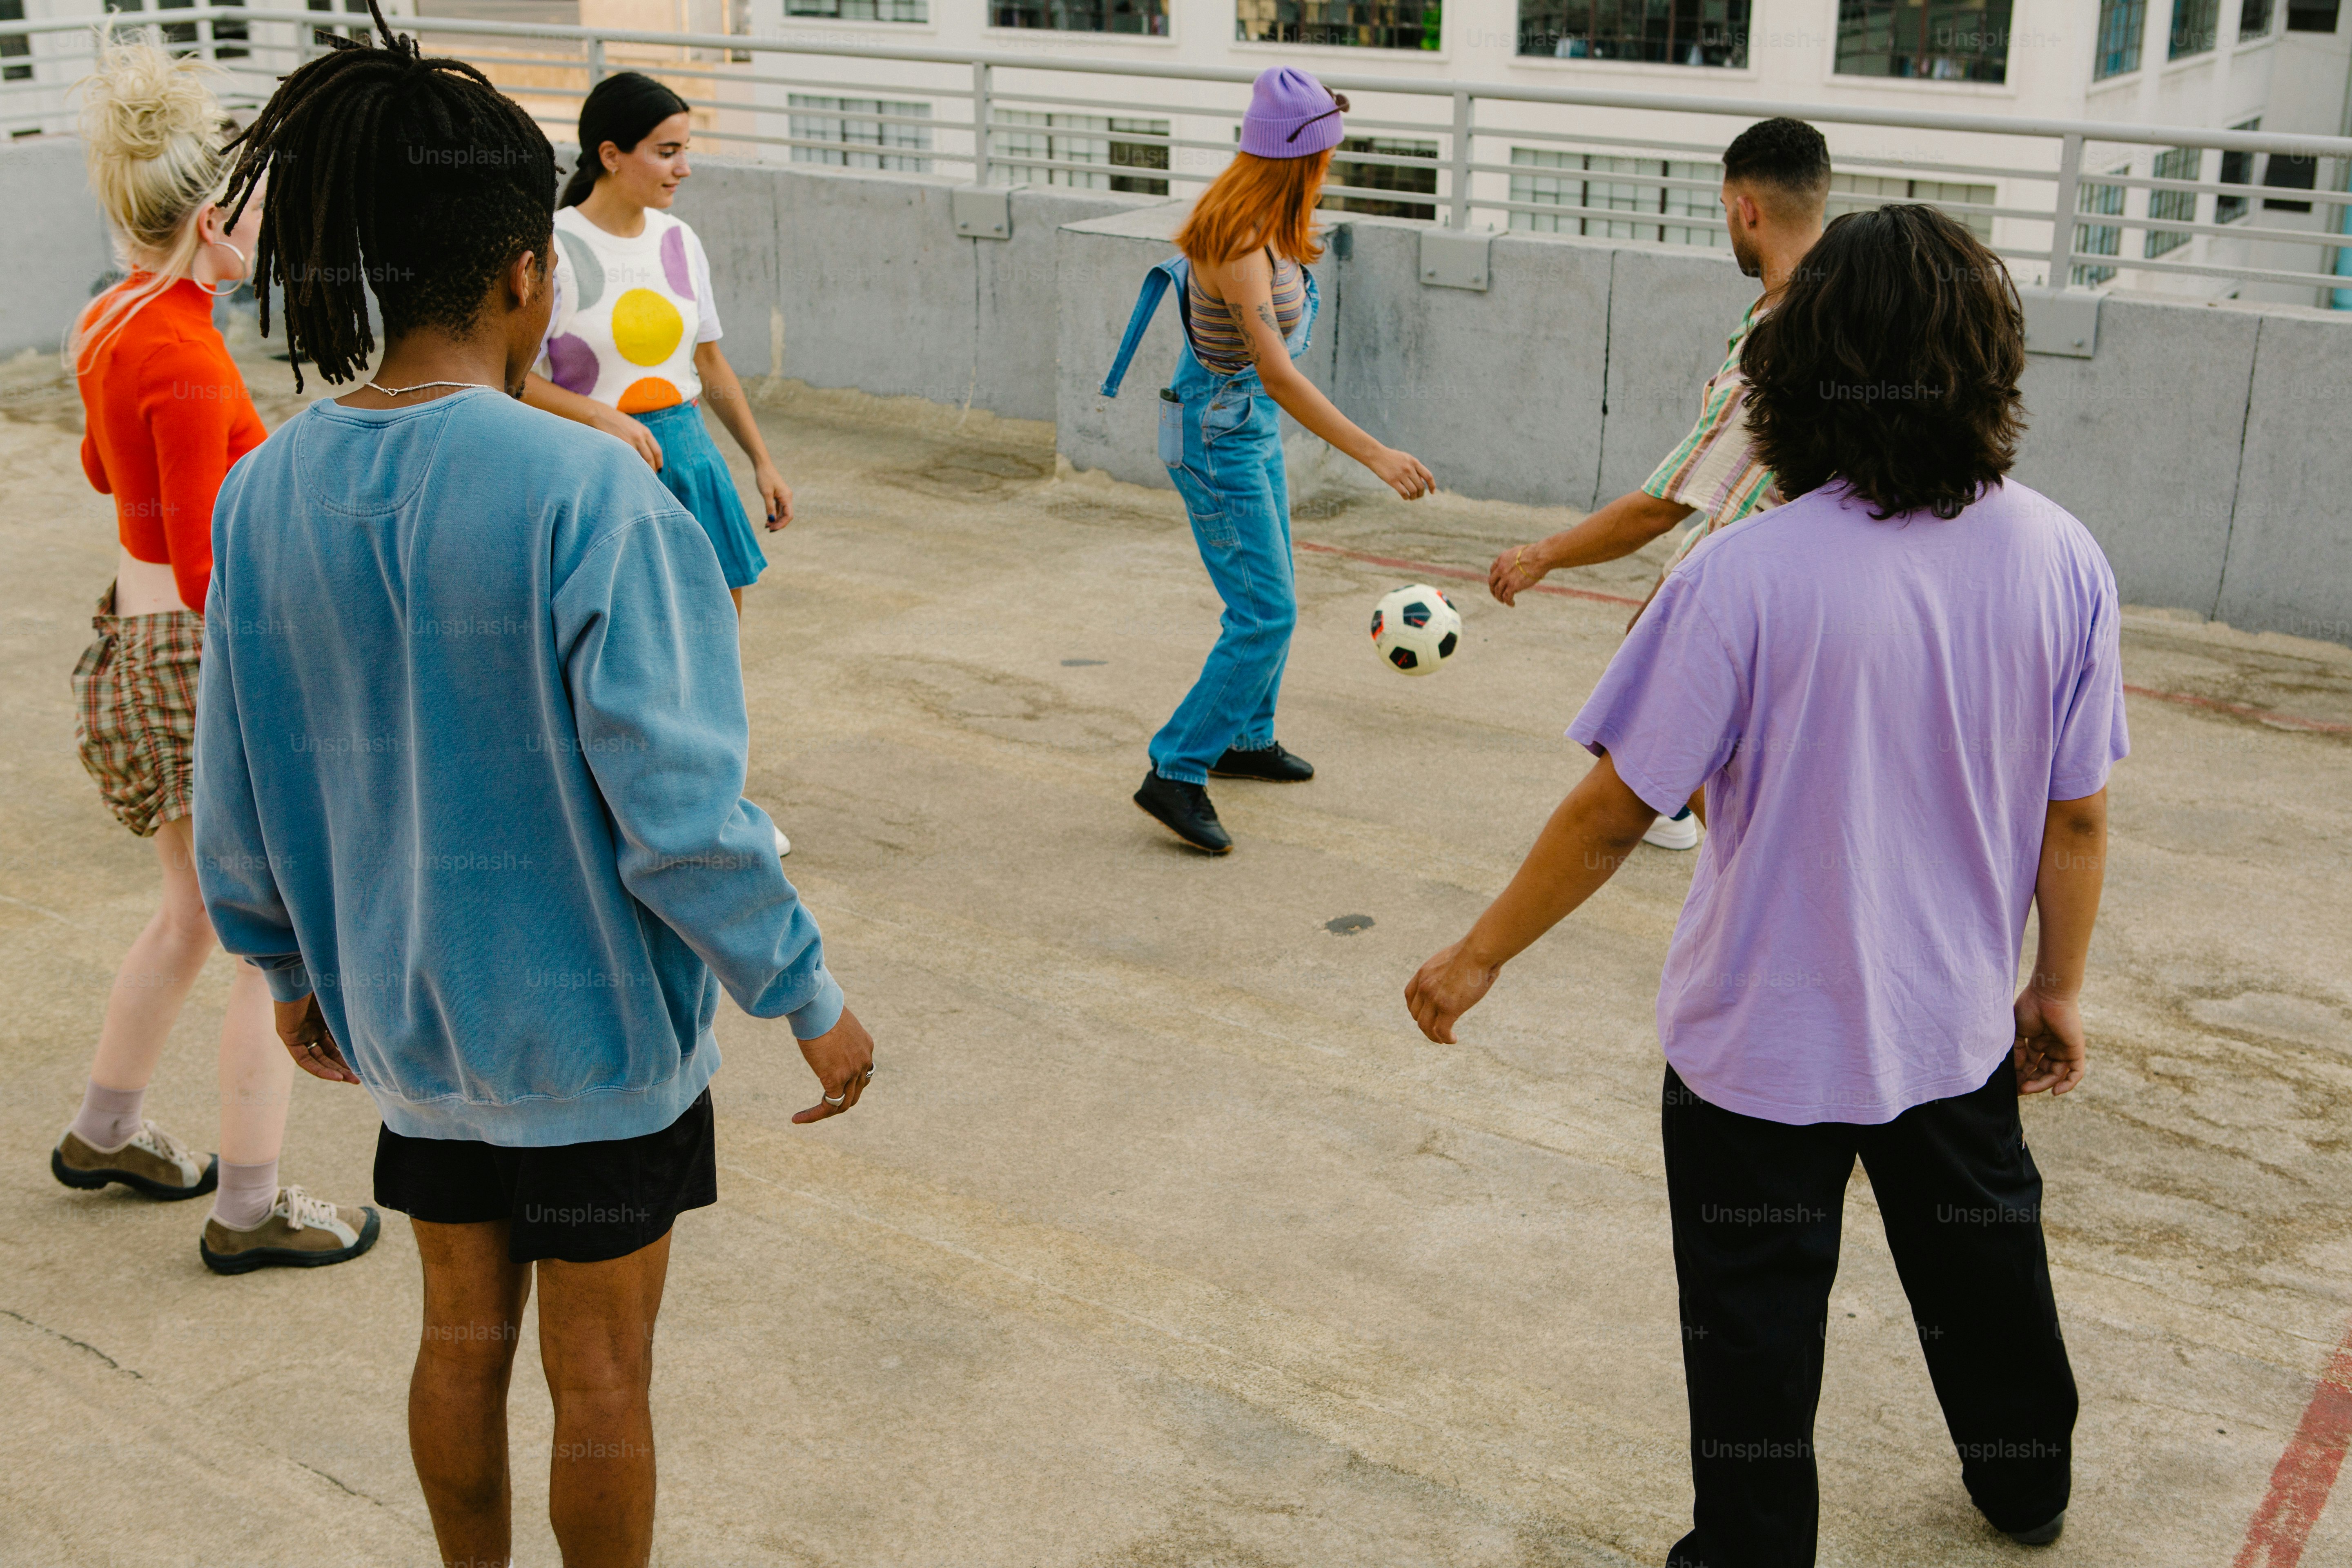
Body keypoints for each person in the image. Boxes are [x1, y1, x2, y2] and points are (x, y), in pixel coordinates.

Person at [195, 9, 875, 1563]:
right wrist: (805, 991)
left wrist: (287, 968)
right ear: (525, 273)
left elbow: (235, 778)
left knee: (457, 1342)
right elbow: (680, 812)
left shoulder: (263, 489)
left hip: (413, 1026)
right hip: (597, 1048)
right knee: (603, 1374)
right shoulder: (597, 493)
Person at [1405, 205, 2126, 1562]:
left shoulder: (1739, 577)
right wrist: (2059, 986)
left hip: (1757, 1053)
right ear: (1988, 366)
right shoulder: (2062, 557)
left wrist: (1480, 953)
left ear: (1797, 375)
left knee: (1755, 1325)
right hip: (1951, 1032)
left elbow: (1616, 811)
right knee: (1986, 1275)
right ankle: (2027, 1484)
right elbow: (2077, 815)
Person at [49, 35, 377, 1276]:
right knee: (266, 938)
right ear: (207, 220)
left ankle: (106, 1134)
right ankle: (249, 1208)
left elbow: (104, 471)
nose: (265, 224)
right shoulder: (185, 351)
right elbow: (209, 567)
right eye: (251, 207)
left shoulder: (112, 316)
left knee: (189, 917)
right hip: (195, 659)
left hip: (132, 647)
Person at [1100, 66, 1436, 855]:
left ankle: (1246, 738)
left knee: (1273, 590)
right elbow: (1279, 375)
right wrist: (1375, 455)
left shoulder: (1271, 218)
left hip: (1244, 425)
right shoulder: (1240, 241)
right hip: (1218, 437)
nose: (1331, 168)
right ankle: (1176, 768)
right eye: (1325, 156)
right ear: (1298, 158)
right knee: (1265, 612)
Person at [1484, 116, 1829, 852]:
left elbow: (1661, 507)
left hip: (1780, 581)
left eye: (1725, 210)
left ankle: (1740, 847)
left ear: (1747, 210)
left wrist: (1541, 555)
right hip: (1825, 560)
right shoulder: (1851, 300)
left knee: (1662, 673)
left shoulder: (1782, 343)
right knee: (1655, 631)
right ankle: (1698, 813)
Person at [523, 70, 795, 855]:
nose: (685, 168)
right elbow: (513, 377)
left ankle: (716, 810)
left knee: (709, 654)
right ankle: (619, 814)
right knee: (622, 661)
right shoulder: (554, 246)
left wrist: (761, 461)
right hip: (596, 471)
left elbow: (710, 364)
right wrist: (602, 416)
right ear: (611, 155)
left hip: (690, 461)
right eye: (667, 151)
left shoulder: (681, 241)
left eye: (686, 150)